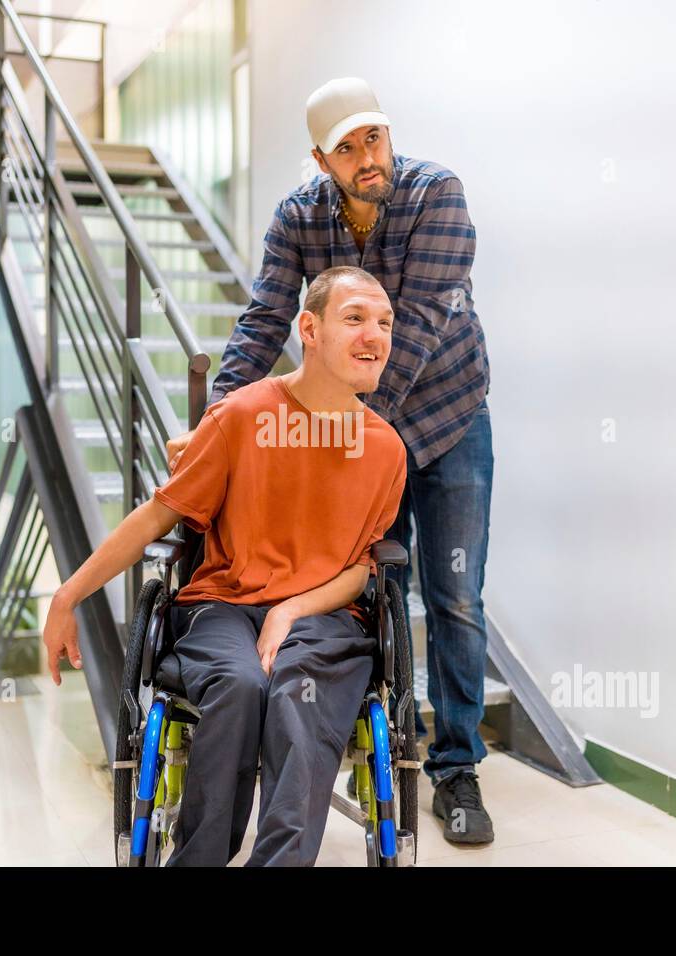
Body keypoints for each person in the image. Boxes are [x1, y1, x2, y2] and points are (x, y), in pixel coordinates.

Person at [165, 77, 495, 845]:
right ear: (323, 160)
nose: (366, 157)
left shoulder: (435, 194)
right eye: (346, 148)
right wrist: (217, 423)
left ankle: (457, 768)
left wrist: (334, 433)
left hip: (447, 419)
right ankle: (380, 725)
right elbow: (262, 324)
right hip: (357, 428)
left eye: (373, 137)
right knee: (375, 582)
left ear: (388, 134)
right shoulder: (297, 219)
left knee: (455, 598)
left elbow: (407, 335)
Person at [44, 267, 407, 866]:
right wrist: (68, 595)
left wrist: (289, 610)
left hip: (324, 614)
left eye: (385, 323)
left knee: (300, 697)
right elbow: (156, 517)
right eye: (356, 319)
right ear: (309, 329)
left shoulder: (384, 448)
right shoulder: (240, 416)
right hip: (222, 608)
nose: (374, 336)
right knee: (239, 686)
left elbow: (361, 569)